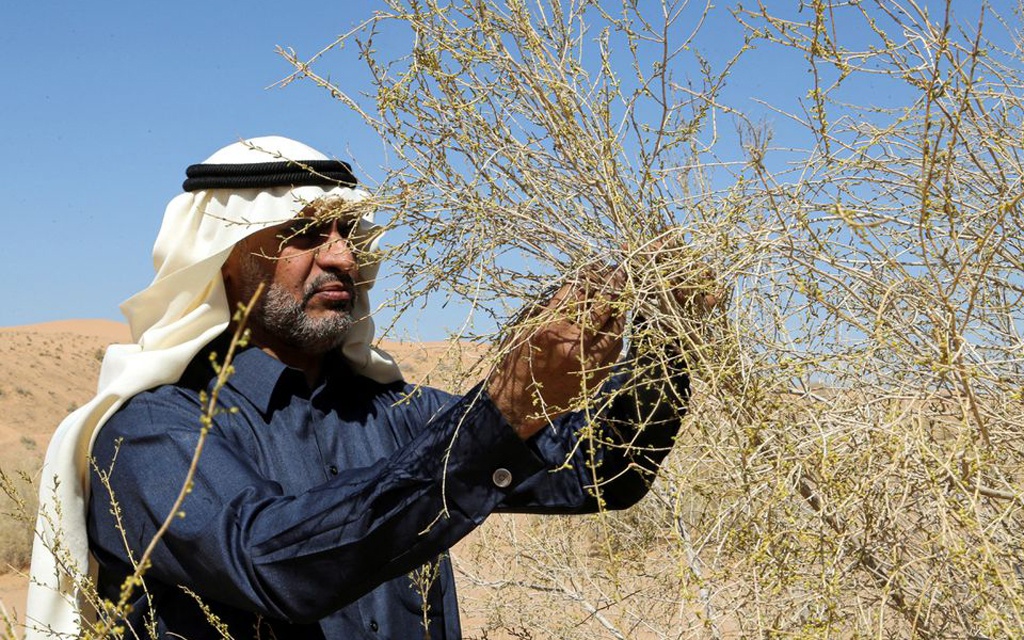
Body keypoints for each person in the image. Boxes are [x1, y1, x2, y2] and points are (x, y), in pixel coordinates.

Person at [26, 136, 703, 639]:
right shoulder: (152, 434)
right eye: (303, 235)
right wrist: (502, 410)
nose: (343, 256)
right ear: (222, 264)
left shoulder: (401, 415)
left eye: (348, 232)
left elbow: (600, 473)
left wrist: (672, 338)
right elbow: (272, 564)